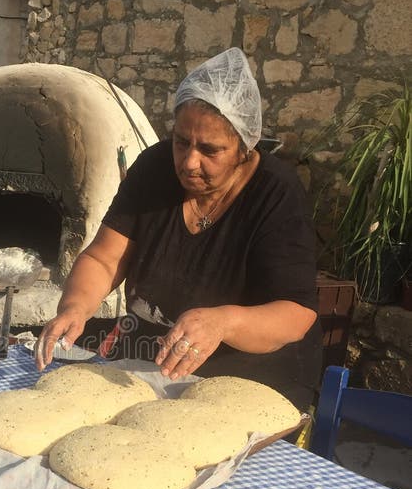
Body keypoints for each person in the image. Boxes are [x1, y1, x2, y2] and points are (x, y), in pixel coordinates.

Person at [35, 48, 323, 410]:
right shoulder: (153, 168)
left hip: (252, 384)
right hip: (149, 366)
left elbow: (295, 314)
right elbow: (105, 258)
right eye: (182, 141)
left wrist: (223, 322)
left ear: (244, 148)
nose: (189, 161)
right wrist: (76, 307)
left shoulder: (276, 194)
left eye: (210, 149)